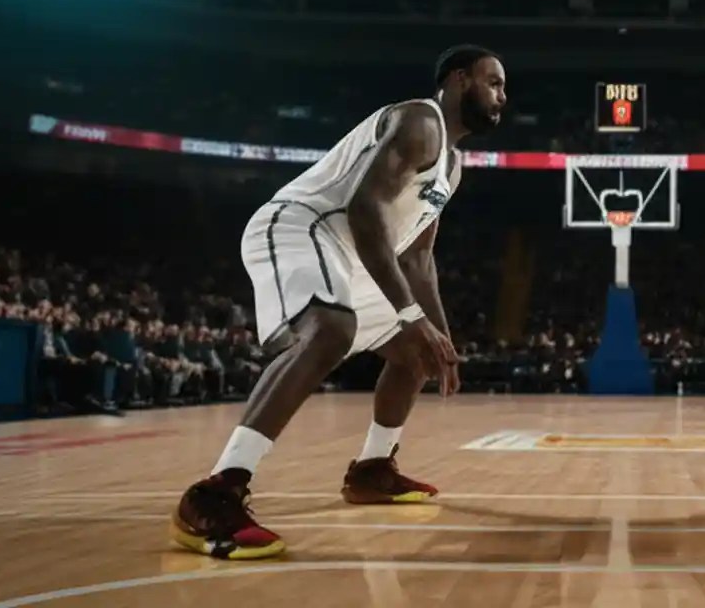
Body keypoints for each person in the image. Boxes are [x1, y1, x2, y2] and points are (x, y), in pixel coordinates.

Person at [170, 45, 506, 560]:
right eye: (494, 82)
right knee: (331, 328)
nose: (502, 95)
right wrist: (411, 314)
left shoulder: (452, 166)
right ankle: (215, 492)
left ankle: (372, 470)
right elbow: (364, 211)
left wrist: (438, 335)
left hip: (350, 255)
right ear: (459, 80)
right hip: (302, 226)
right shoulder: (421, 120)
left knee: (415, 353)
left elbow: (418, 259)